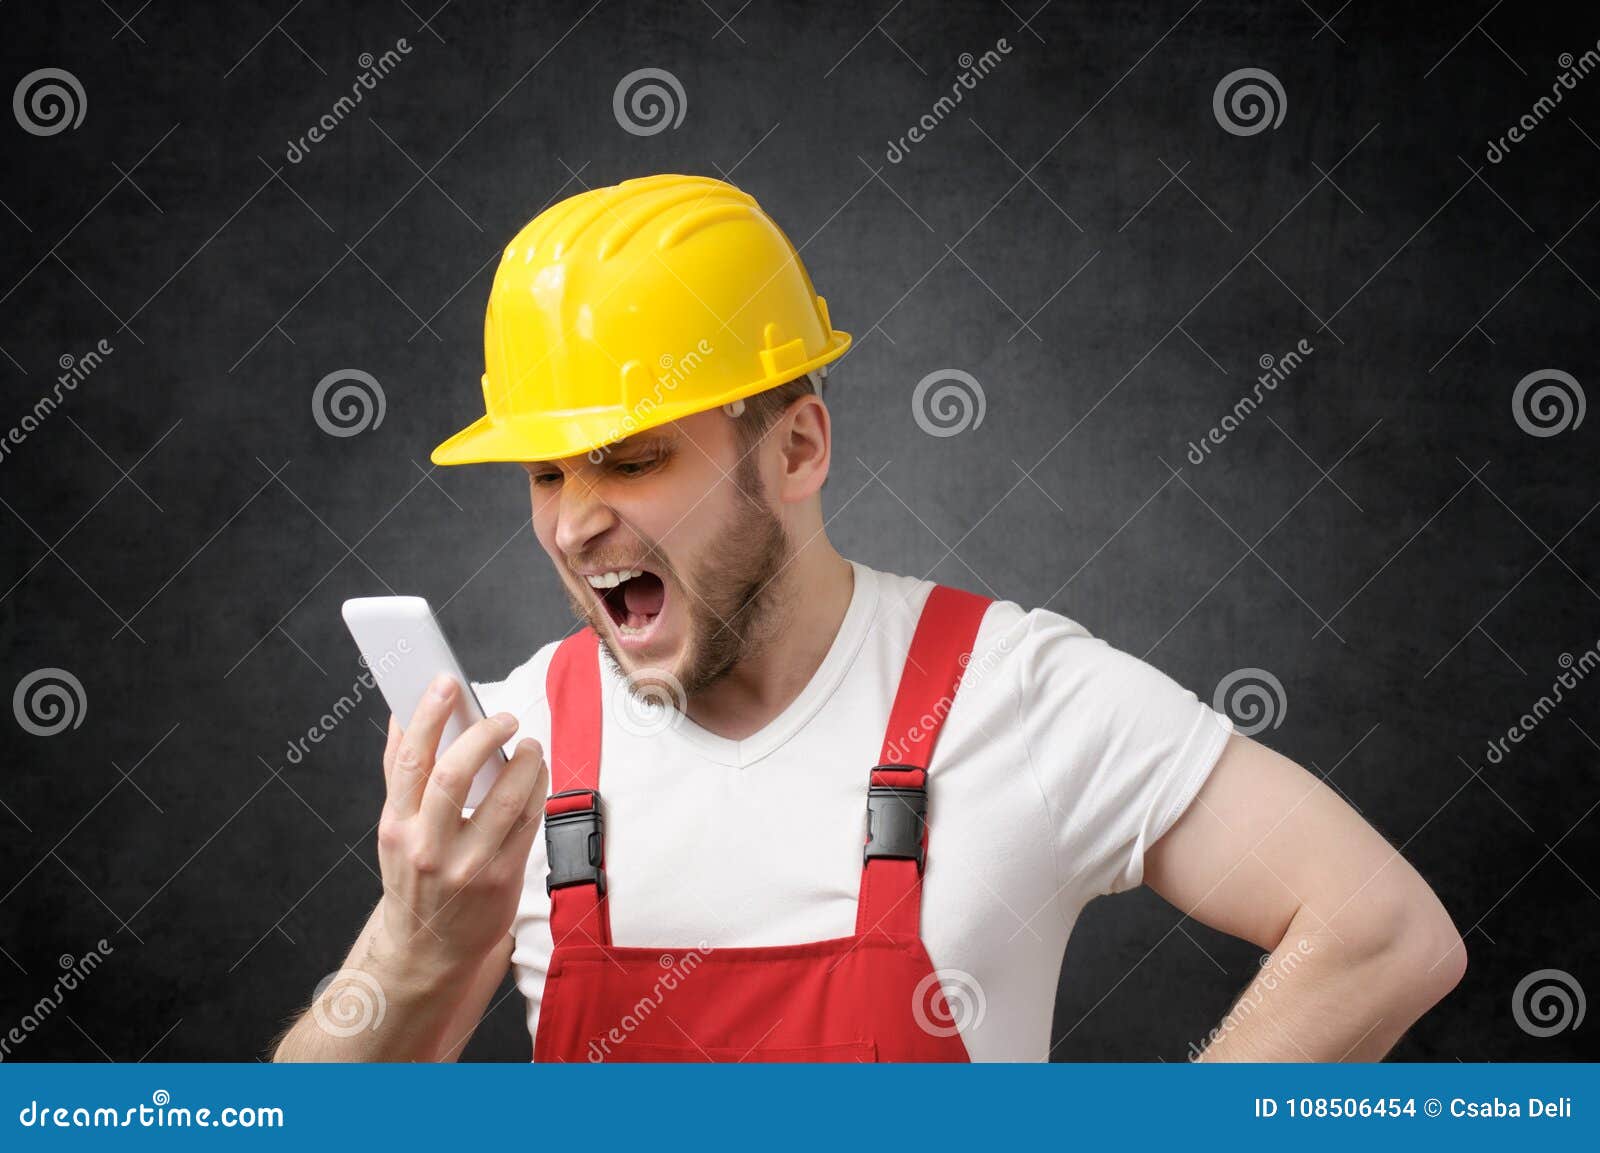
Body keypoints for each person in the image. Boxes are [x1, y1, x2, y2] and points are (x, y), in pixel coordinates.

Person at [271, 174, 1465, 1062]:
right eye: (544, 475)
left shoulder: (1015, 692)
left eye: (627, 462)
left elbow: (1381, 931)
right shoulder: (519, 744)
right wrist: (421, 940)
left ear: (794, 447)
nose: (574, 524)